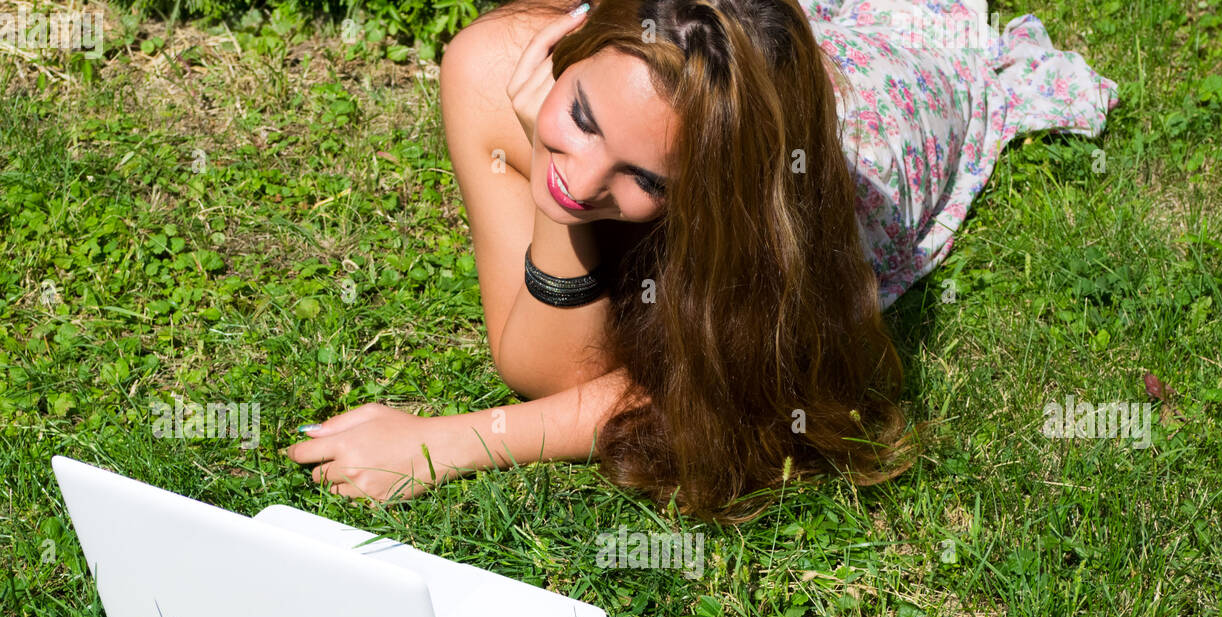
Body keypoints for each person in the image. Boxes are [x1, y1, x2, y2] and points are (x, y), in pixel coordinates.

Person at [284, 0, 1117, 519]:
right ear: (582, 32)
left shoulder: (774, 216)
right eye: (580, 112)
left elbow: (698, 396)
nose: (581, 176)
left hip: (879, 96)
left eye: (643, 177)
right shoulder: (495, 61)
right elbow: (544, 364)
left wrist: (448, 442)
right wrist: (560, 193)